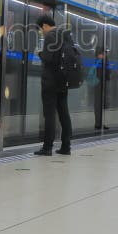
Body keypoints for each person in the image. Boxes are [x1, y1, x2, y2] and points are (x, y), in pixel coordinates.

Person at [34, 14, 72, 156]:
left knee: (49, 115)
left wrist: (40, 53)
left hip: (51, 82)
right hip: (63, 81)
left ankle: (47, 147)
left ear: (44, 25)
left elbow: (48, 59)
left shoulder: (50, 36)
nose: (41, 32)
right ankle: (66, 146)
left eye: (40, 29)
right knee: (64, 114)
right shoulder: (65, 34)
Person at [93, 47, 110, 130]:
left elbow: (107, 71)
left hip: (103, 83)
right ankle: (98, 123)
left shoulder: (105, 60)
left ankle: (101, 122)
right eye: (104, 53)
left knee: (103, 103)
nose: (105, 55)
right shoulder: (98, 60)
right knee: (98, 103)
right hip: (98, 83)